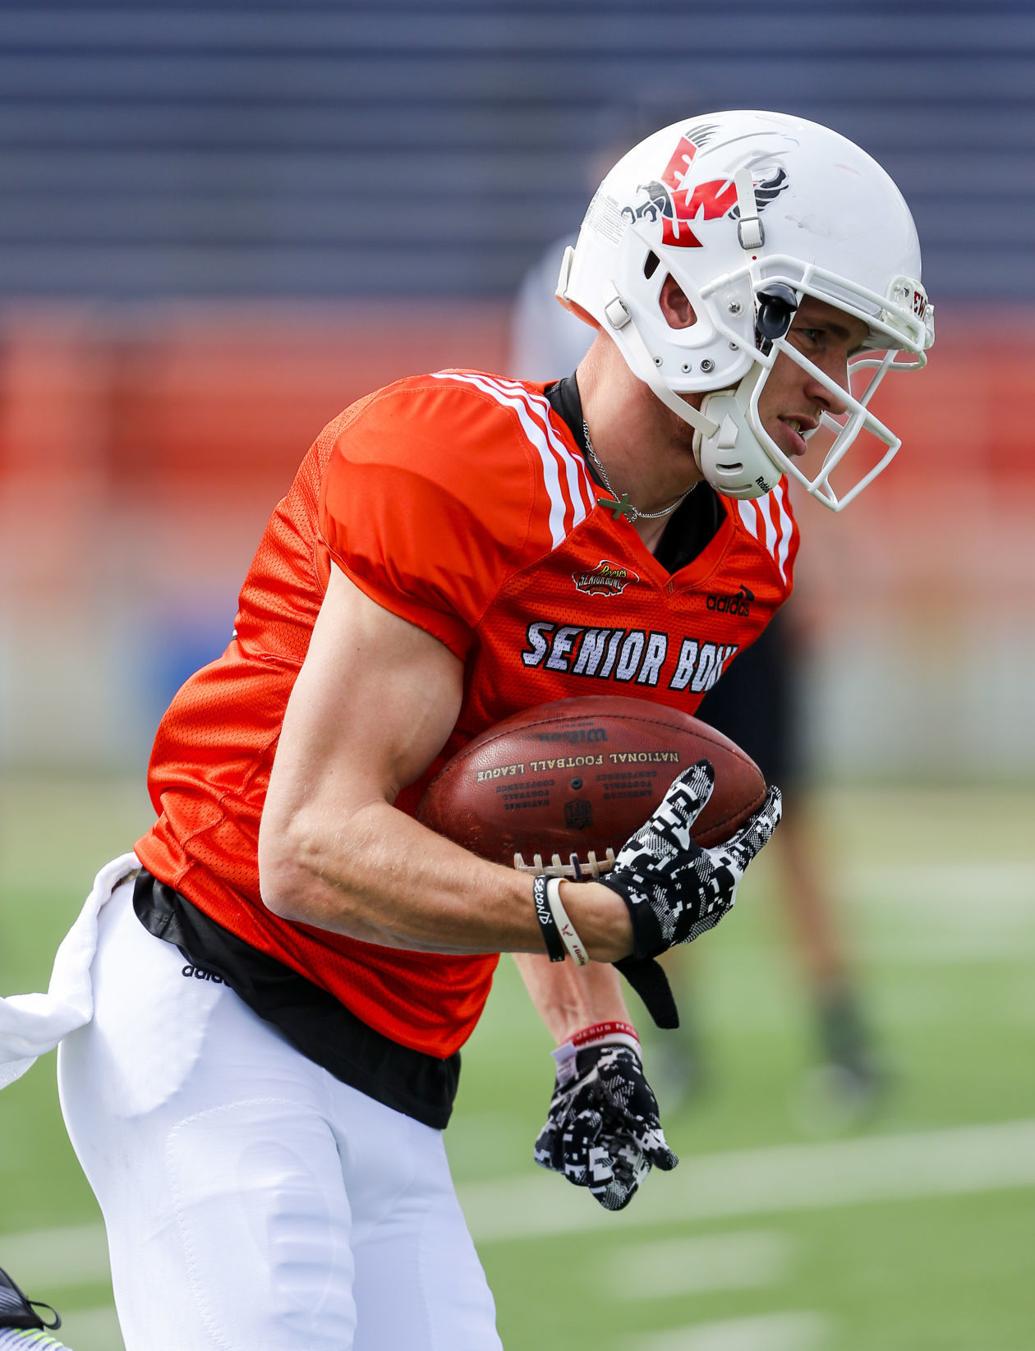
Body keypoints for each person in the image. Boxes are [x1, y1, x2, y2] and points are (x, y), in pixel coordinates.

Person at [0, 110, 933, 1350]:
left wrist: (590, 1026)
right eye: (814, 338)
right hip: (221, 994)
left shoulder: (743, 552)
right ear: (684, 292)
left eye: (852, 351)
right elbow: (311, 842)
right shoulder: (455, 463)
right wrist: (589, 918)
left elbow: (543, 809)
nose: (835, 392)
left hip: (398, 1061)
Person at [512, 258, 885, 1110]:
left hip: (730, 575)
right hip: (618, 572)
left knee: (782, 814)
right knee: (645, 821)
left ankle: (839, 1031)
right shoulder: (564, 287)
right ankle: (669, 1040)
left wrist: (812, 572)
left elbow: (766, 432)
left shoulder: (743, 267)